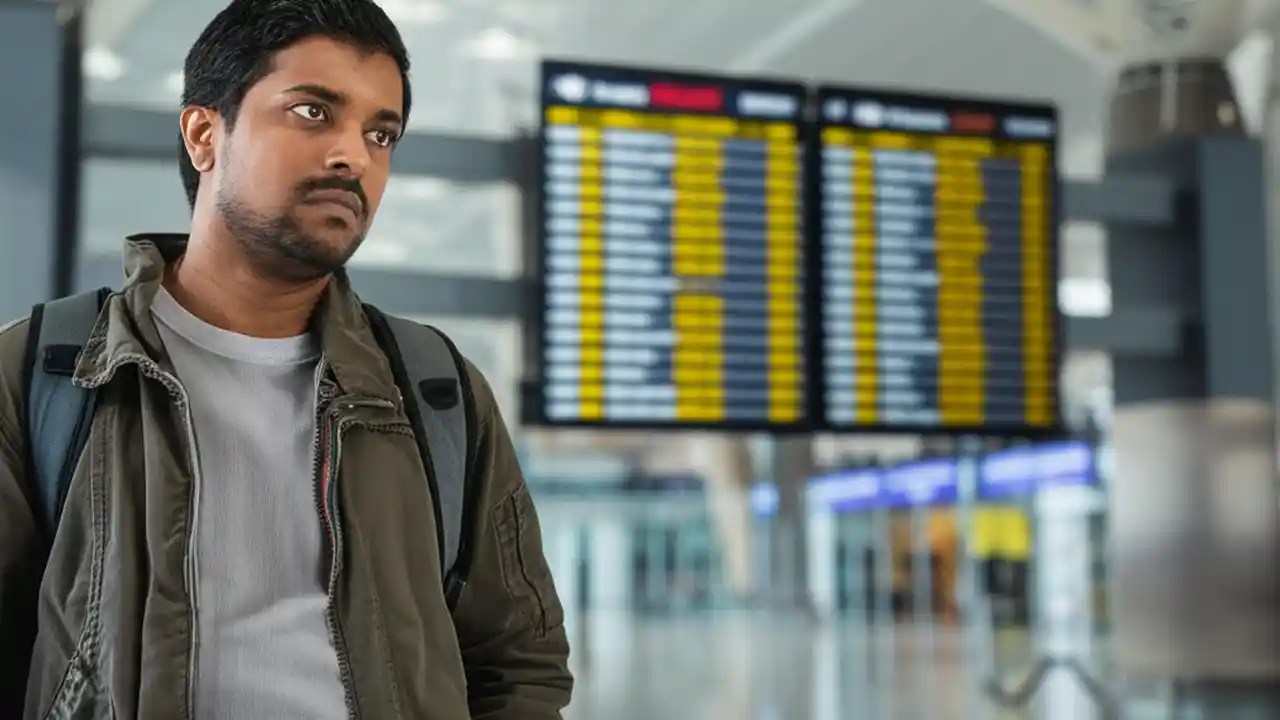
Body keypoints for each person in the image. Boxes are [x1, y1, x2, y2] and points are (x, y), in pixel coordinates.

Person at [0, 1, 572, 717]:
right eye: (312, 112)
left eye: (381, 132)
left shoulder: (433, 389)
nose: (353, 155)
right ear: (205, 134)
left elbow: (519, 662)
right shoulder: (47, 373)